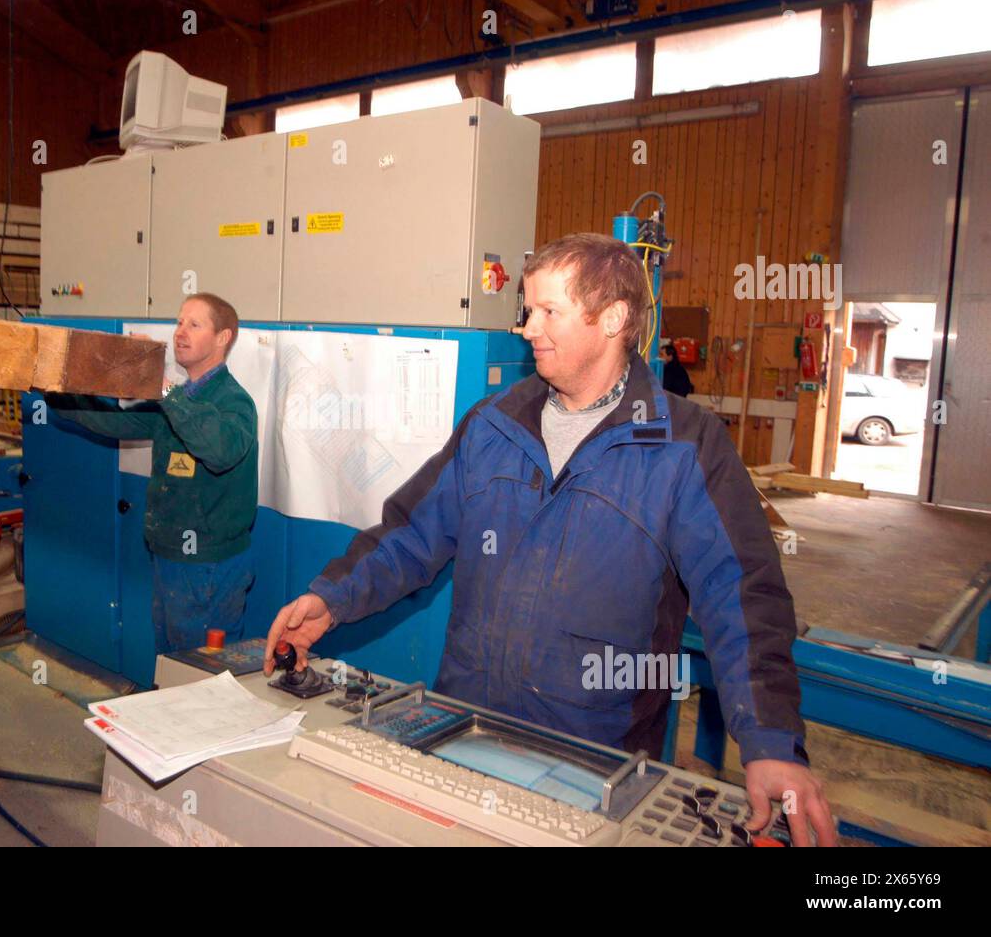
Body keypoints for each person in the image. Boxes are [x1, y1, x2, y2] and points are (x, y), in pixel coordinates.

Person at [265, 233, 836, 846]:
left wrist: (770, 742)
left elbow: (741, 594)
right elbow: (410, 534)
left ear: (612, 318)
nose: (527, 327)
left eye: (548, 311)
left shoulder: (683, 445)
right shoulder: (493, 423)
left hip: (597, 757)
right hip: (465, 729)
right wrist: (332, 599)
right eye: (527, 309)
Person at [47, 293, 257, 652]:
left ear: (223, 338)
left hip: (207, 564)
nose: (180, 332)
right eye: (179, 322)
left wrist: (163, 386)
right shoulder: (177, 400)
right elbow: (114, 421)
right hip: (169, 557)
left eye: (194, 324)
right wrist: (54, 390)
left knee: (203, 671)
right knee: (170, 661)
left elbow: (219, 451)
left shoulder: (234, 402)